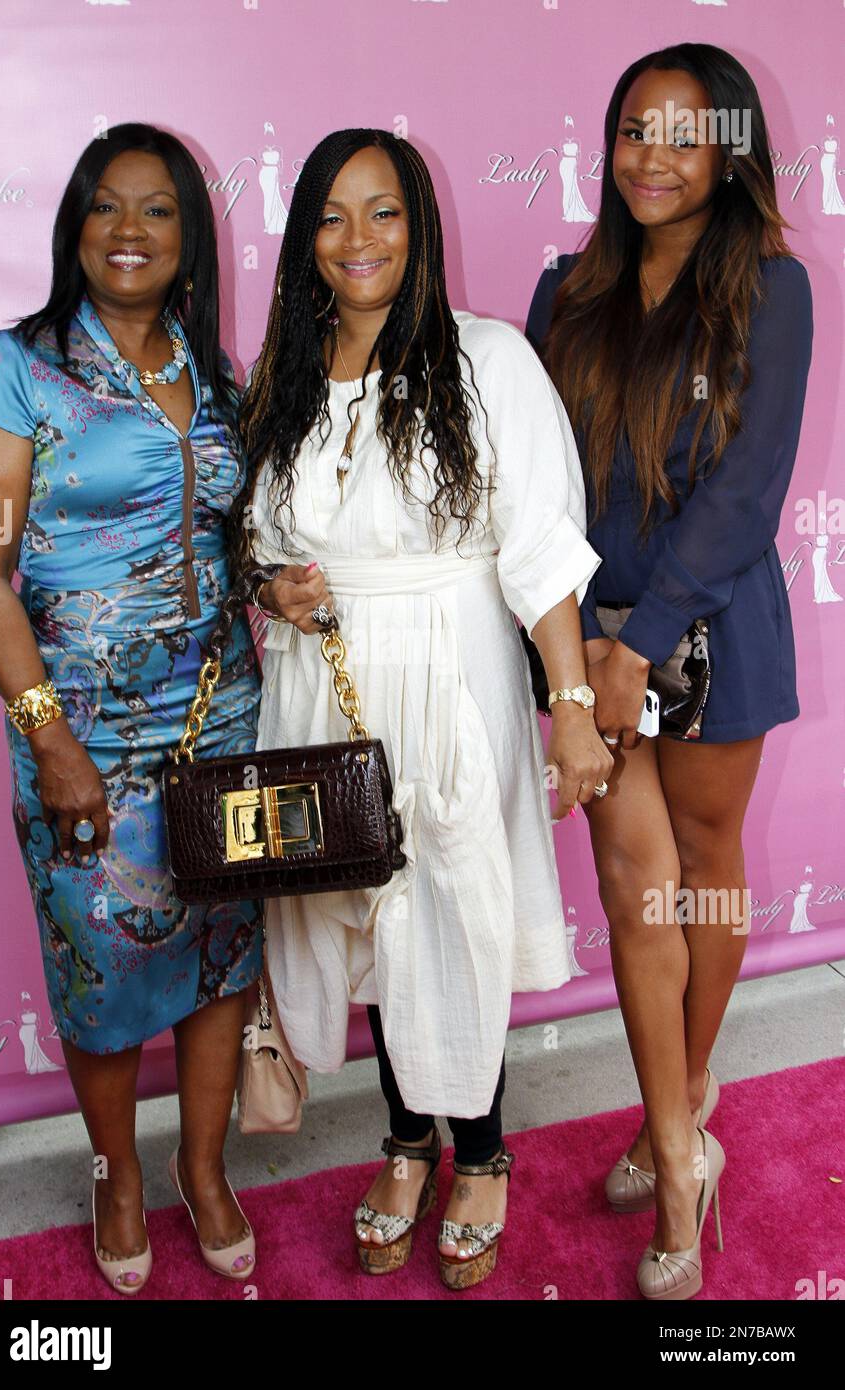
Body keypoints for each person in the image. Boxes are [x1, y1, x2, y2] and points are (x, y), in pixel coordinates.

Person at [230, 127, 614, 1290]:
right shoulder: (281, 385)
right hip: (322, 696)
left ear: (422, 226)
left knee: (453, 912)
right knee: (364, 923)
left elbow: (538, 551)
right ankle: (406, 1143)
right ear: (304, 240)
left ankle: (481, 1157)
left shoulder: (488, 359)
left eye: (384, 212)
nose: (360, 240)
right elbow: (250, 539)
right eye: (334, 217)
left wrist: (576, 705)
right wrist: (273, 588)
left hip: (451, 683)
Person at [526, 43, 813, 1300]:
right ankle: (686, 1149)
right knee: (634, 894)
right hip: (587, 638)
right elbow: (538, 485)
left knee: (701, 881)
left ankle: (676, 1113)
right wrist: (585, 644)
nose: (652, 154)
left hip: (709, 630)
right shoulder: (567, 289)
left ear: (731, 151)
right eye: (636, 128)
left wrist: (643, 646)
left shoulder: (773, 287)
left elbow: (749, 491)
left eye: (684, 133)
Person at [0, 124, 265, 1295]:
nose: (129, 231)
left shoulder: (216, 369)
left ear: (189, 237)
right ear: (74, 229)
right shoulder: (14, 366)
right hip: (79, 727)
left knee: (222, 955)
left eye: (157, 211)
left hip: (220, 712)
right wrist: (49, 737)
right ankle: (117, 1180)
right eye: (106, 208)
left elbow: (219, 539)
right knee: (100, 975)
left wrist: (269, 584)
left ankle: (204, 1168)